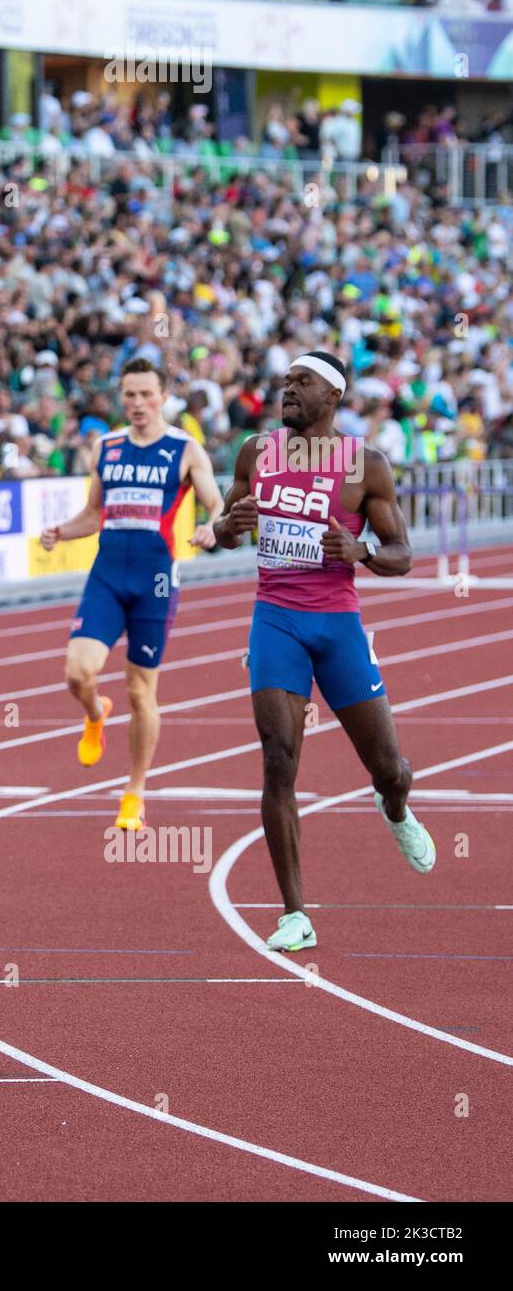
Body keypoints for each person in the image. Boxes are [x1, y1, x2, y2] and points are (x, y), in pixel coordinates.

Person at [213, 352, 435, 953]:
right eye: (285, 381)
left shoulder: (366, 466)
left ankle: (393, 808)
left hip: (337, 627)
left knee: (390, 769)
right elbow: (220, 529)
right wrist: (229, 523)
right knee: (279, 759)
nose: (287, 390)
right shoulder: (257, 453)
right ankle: (295, 914)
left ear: (332, 396)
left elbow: (403, 554)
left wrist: (360, 553)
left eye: (301, 382)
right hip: (275, 619)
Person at [40, 358, 223, 833]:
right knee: (77, 673)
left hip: (155, 584)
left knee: (141, 692)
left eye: (146, 395)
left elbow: (216, 503)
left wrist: (211, 526)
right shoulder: (108, 446)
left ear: (163, 397)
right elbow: (93, 514)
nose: (138, 404)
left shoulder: (185, 449)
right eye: (129, 396)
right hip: (106, 577)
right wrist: (61, 531)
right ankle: (95, 712)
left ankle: (134, 791)